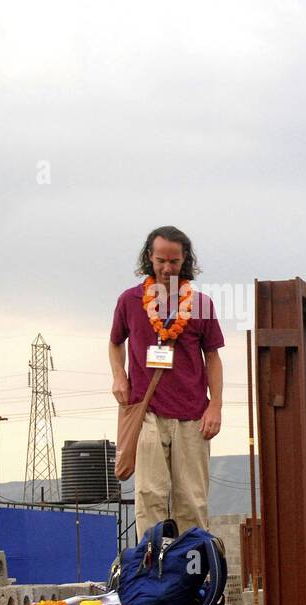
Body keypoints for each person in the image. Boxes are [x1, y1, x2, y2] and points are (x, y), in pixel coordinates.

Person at [109, 226, 224, 535]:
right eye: (161, 260)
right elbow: (115, 342)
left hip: (193, 414)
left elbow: (213, 357)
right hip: (147, 411)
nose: (166, 268)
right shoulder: (130, 300)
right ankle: (151, 561)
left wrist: (216, 406)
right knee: (149, 495)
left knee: (192, 500)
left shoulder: (201, 304)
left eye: (174, 261)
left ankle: (192, 561)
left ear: (185, 260)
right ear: (149, 257)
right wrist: (119, 375)